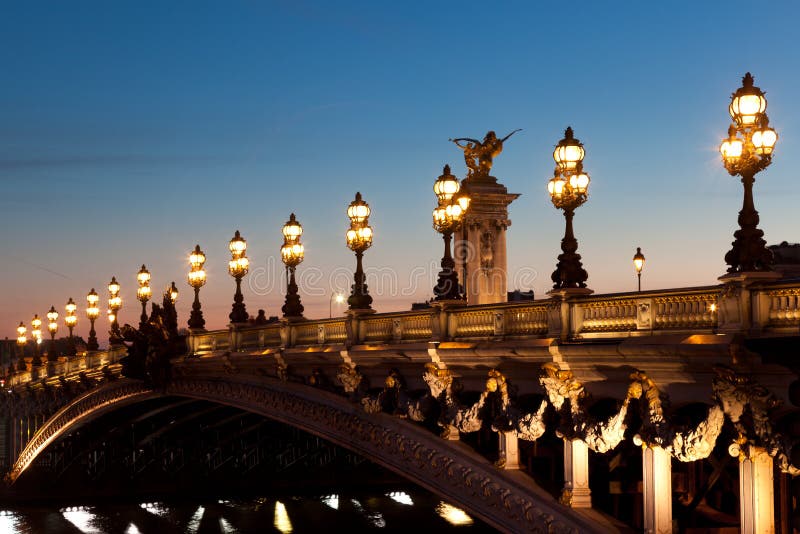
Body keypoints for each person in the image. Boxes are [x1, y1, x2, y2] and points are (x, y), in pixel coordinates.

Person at [450, 129, 521, 178]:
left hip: (488, 158)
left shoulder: (493, 146)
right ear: (488, 137)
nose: (491, 139)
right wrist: (459, 139)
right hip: (483, 158)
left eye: (492, 137)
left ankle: (484, 178)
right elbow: (470, 140)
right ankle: (481, 177)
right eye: (490, 137)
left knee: (486, 171)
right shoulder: (480, 144)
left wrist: (513, 132)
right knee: (483, 171)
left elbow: (505, 139)